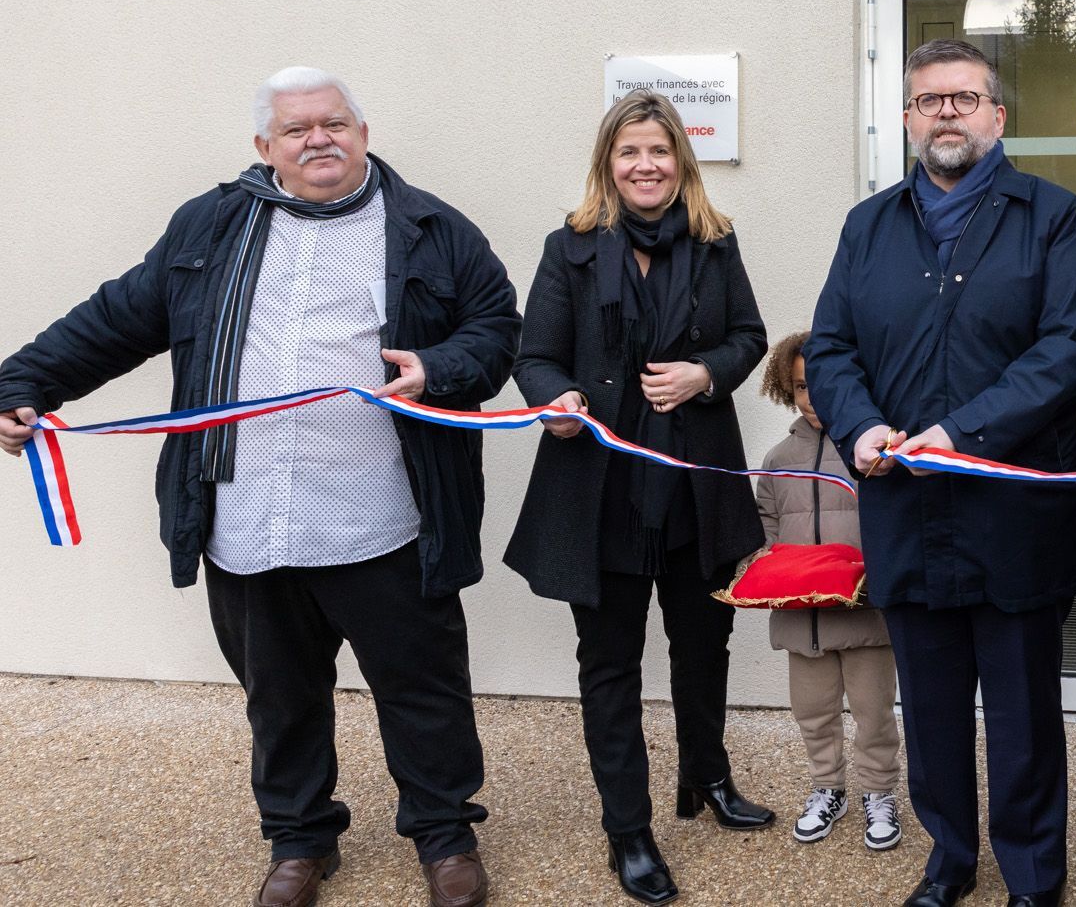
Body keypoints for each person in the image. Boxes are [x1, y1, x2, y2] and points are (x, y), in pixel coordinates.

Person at [0, 67, 519, 907]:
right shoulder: (210, 225)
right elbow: (118, 318)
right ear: (265, 146)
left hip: (383, 517)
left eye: (334, 123)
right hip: (249, 519)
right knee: (279, 699)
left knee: (423, 692)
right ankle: (300, 840)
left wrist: (440, 366)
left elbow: (495, 329)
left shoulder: (432, 229)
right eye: (297, 129)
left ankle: (444, 835)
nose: (319, 139)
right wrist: (21, 383)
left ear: (362, 131)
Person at [806, 39, 1076, 907]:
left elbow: (1068, 347)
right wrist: (860, 425)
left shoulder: (1052, 217)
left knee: (1022, 715)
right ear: (907, 118)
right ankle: (950, 861)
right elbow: (831, 348)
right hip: (906, 510)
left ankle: (1033, 877)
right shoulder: (868, 226)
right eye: (929, 100)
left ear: (997, 117)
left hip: (1015, 512)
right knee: (931, 711)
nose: (946, 113)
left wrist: (961, 432)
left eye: (964, 98)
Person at [502, 90, 771, 906]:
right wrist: (554, 401)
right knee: (611, 665)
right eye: (630, 152)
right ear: (608, 163)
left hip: (695, 487)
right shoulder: (570, 248)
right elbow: (535, 355)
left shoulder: (715, 243)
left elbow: (749, 337)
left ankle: (707, 778)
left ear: (679, 160)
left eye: (659, 151)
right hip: (602, 490)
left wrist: (705, 373)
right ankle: (629, 829)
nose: (645, 166)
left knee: (705, 644)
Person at [754, 328, 904, 853]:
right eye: (800, 386)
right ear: (786, 388)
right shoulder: (777, 459)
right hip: (804, 621)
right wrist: (762, 574)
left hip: (866, 619)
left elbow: (894, 526)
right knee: (812, 712)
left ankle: (879, 793)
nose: (812, 397)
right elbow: (767, 531)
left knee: (873, 713)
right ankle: (828, 788)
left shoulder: (872, 455)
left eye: (821, 384)